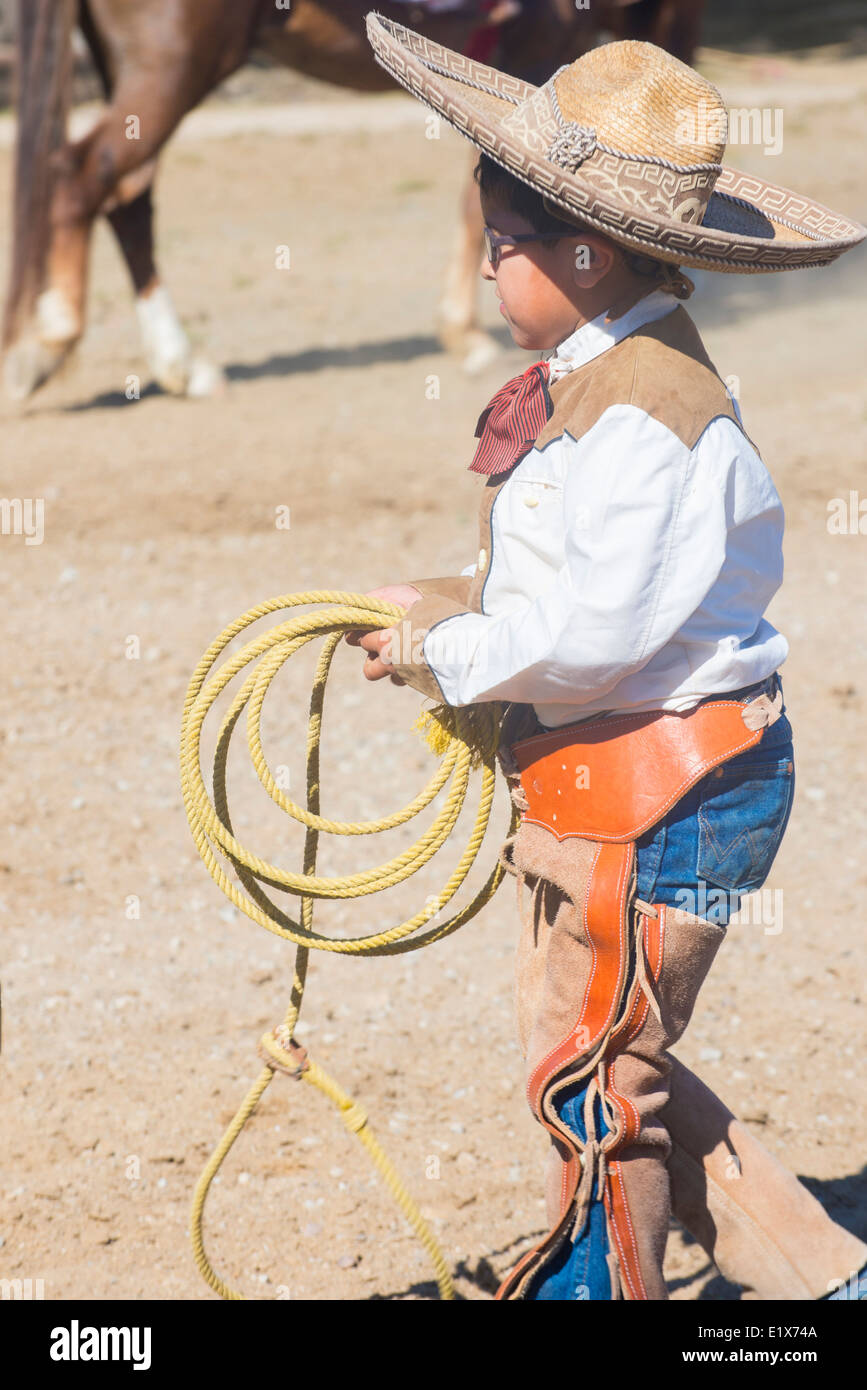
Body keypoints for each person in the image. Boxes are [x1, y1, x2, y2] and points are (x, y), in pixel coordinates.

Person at [347, 14, 867, 1300]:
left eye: (501, 247)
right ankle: (817, 1270)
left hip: (670, 789)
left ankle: (598, 1289)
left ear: (583, 253)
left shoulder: (647, 423)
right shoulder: (603, 383)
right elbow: (571, 593)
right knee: (601, 1041)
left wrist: (443, 647)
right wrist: (450, 598)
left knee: (592, 1065)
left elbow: (592, 639)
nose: (483, 272)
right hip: (624, 777)